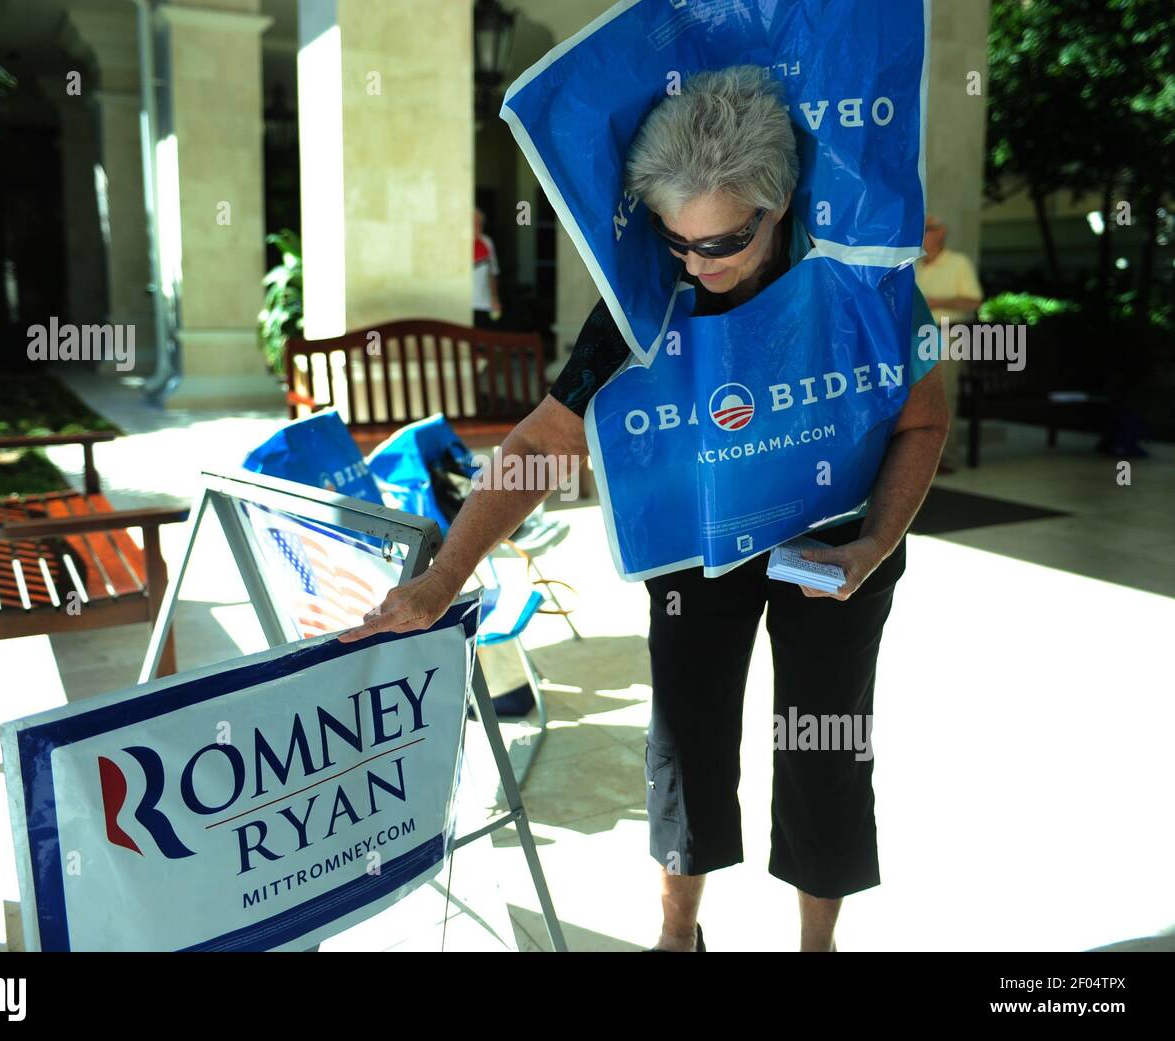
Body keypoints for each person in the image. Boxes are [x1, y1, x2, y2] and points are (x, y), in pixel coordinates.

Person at [341, 66, 948, 952]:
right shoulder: (645, 300)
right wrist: (442, 578)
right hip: (698, 539)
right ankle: (677, 937)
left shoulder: (863, 278)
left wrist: (874, 543)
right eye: (678, 243)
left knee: (823, 743)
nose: (699, 266)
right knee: (688, 738)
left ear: (776, 209)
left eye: (724, 244)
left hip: (835, 537)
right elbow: (546, 440)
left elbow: (924, 417)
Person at [915, 214, 983, 472]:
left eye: (927, 229)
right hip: (917, 335)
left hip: (949, 333)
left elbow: (973, 302)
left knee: (944, 394)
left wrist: (936, 302)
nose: (922, 233)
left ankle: (945, 456)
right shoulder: (915, 264)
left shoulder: (958, 263)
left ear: (941, 233)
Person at [472, 207, 502, 327]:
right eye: (474, 223)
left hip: (484, 304)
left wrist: (495, 298)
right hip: (461, 306)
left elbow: (493, 274)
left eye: (480, 223)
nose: (478, 227)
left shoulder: (487, 242)